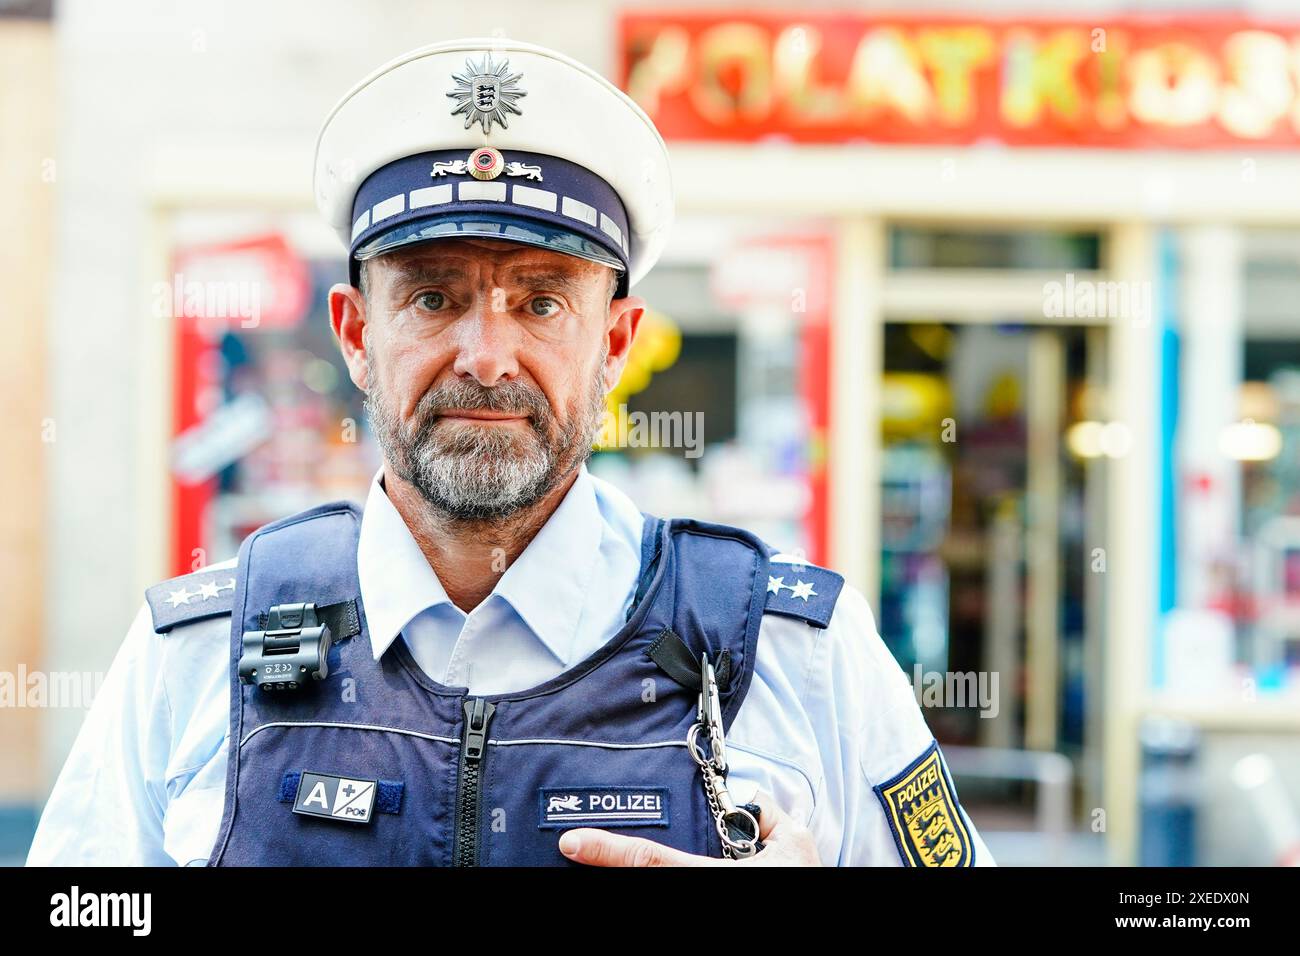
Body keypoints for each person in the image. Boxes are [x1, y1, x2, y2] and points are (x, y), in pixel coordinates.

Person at [27, 37, 994, 867]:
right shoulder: (192, 663)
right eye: (434, 298)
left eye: (540, 302)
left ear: (614, 343)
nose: (487, 362)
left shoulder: (797, 657)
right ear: (356, 333)